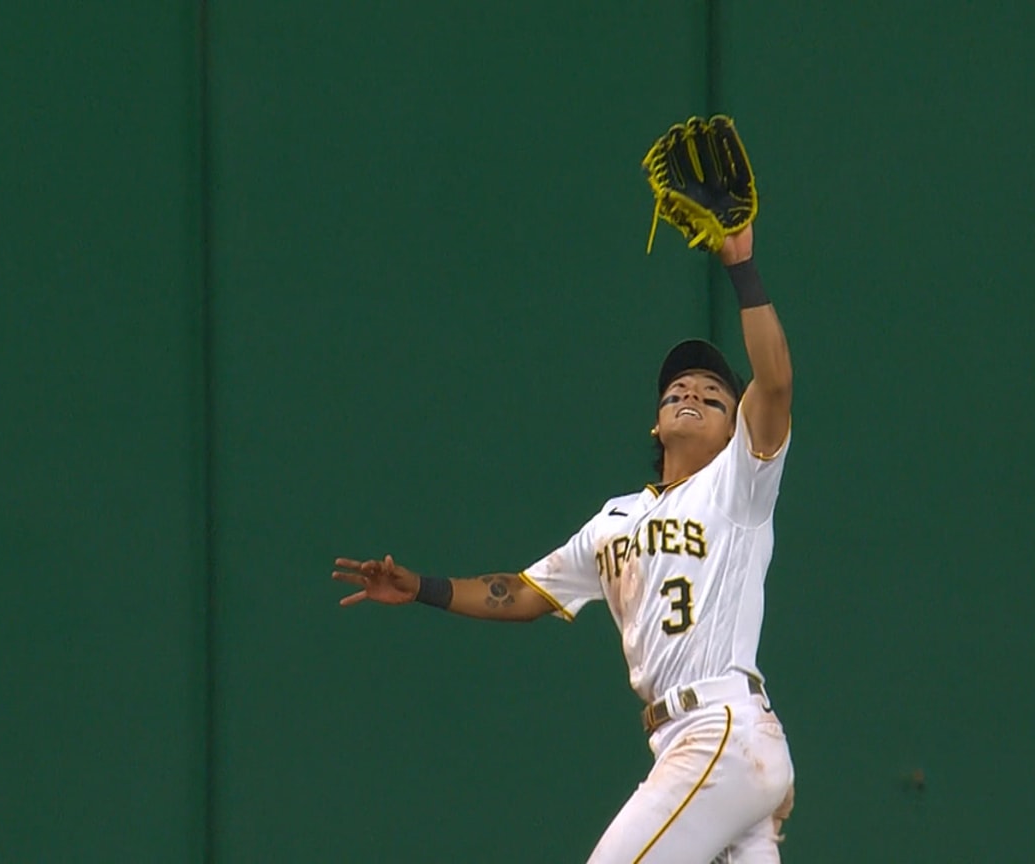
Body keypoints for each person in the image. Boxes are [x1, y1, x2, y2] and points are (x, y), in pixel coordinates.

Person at [332, 223, 796, 863]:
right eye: (678, 390)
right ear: (655, 423)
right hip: (697, 744)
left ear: (732, 429)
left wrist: (741, 267)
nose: (691, 392)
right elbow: (523, 592)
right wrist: (422, 589)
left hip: (719, 731)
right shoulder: (614, 520)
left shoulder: (738, 485)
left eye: (713, 395)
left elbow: (775, 384)